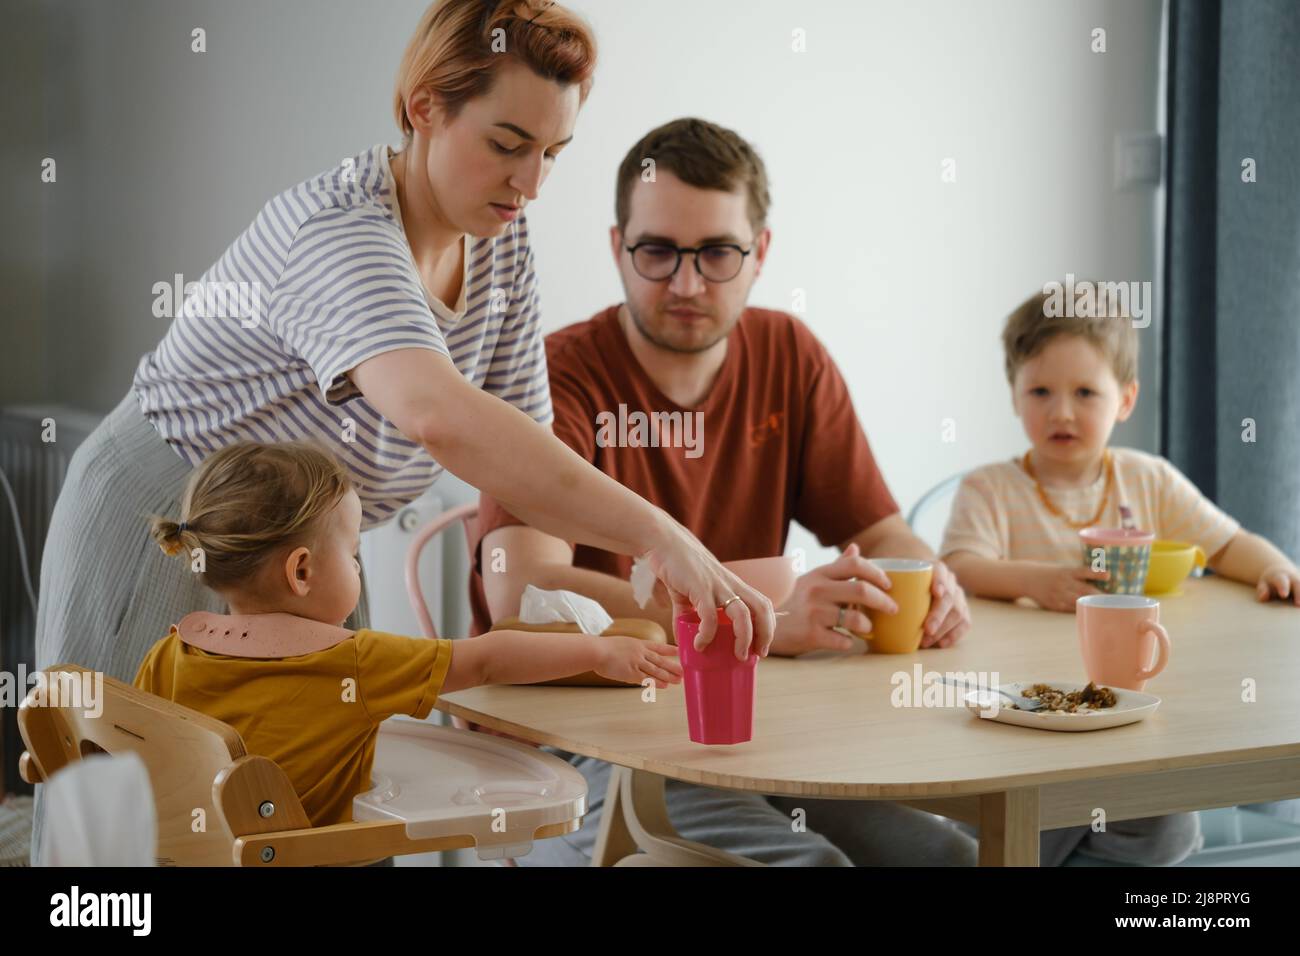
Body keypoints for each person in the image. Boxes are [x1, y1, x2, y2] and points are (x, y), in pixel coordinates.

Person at [32, 0, 771, 865]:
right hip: (172, 517)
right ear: (425, 106)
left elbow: (523, 447)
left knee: (322, 813)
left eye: (550, 153)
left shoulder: (501, 243)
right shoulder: (342, 231)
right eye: (506, 144)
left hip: (315, 549)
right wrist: (663, 534)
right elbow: (440, 415)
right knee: (119, 823)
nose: (530, 182)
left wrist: (569, 593)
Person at [471, 117, 978, 866]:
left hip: (752, 728)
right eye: (657, 252)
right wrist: (765, 615)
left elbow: (884, 535)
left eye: (716, 253)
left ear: (760, 253)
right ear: (617, 247)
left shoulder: (790, 355)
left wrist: (929, 580)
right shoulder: (553, 374)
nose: (686, 283)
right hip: (582, 742)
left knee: (948, 859)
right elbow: (523, 593)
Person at [134, 441, 682, 838]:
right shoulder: (351, 660)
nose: (357, 564)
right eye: (351, 553)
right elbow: (487, 662)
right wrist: (601, 650)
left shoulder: (171, 650)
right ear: (301, 572)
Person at [941, 286, 1300, 864]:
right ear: (1013, 395)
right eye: (1040, 391)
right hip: (1029, 723)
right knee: (1021, 831)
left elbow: (1229, 543)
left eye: (1085, 392)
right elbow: (959, 567)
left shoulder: (1148, 479)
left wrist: (1280, 567)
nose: (1061, 411)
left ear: (1126, 398)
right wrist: (1036, 580)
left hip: (1131, 713)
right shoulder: (990, 489)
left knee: (1165, 827)